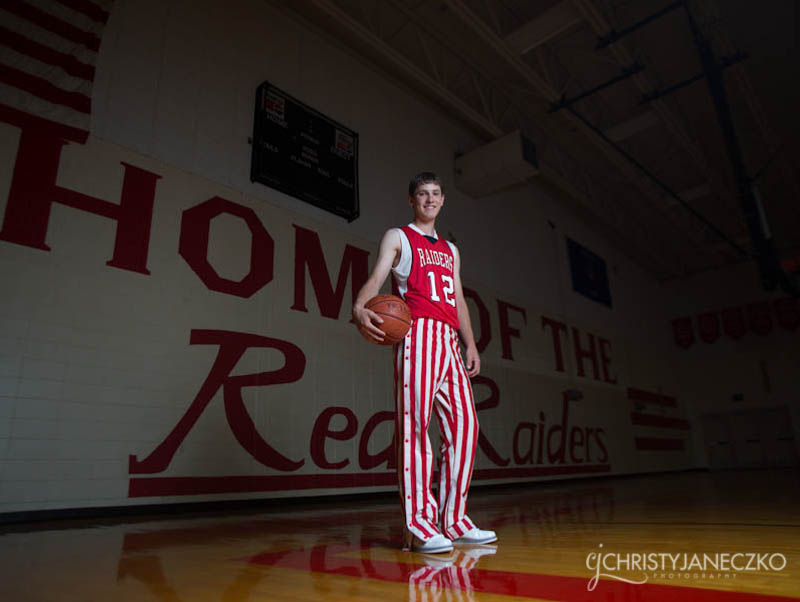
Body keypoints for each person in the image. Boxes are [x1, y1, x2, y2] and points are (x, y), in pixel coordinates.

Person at [352, 172, 497, 553]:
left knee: (466, 427)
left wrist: (471, 344)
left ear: (443, 200)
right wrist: (358, 304)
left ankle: (453, 519)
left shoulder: (451, 249)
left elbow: (460, 300)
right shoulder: (398, 236)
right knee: (416, 427)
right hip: (417, 334)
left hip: (450, 339)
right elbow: (377, 276)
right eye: (422, 194)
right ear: (412, 201)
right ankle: (419, 524)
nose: (429, 199)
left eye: (435, 194)